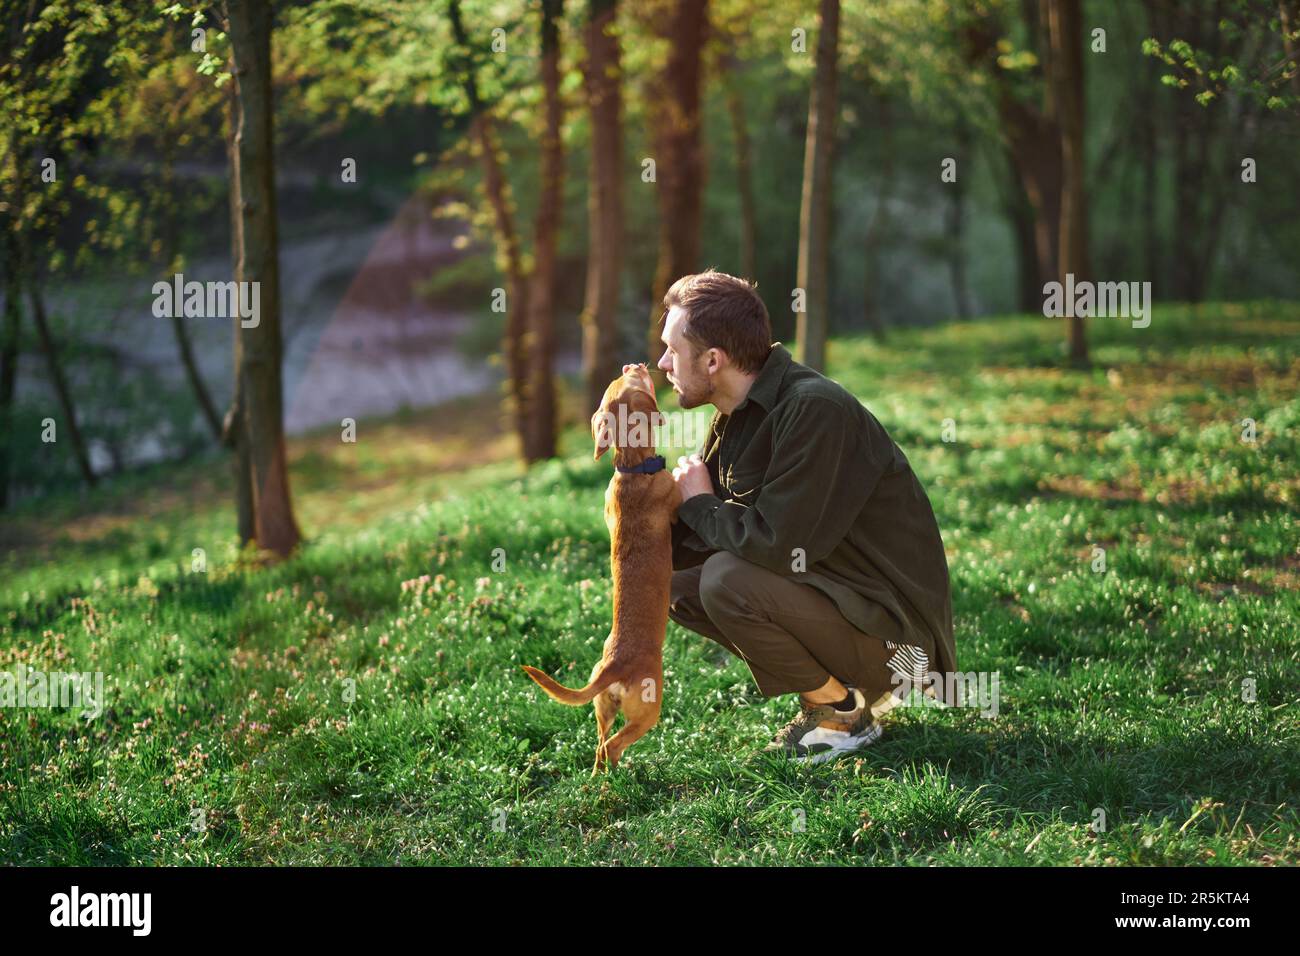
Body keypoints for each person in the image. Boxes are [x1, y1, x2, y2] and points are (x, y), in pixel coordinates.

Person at [650, 268, 957, 764]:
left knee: (725, 580)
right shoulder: (736, 412)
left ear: (712, 360)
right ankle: (836, 695)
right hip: (842, 603)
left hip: (902, 649)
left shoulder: (815, 410)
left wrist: (699, 503)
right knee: (676, 582)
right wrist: (647, 500)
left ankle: (841, 713)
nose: (662, 362)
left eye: (672, 349)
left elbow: (776, 546)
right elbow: (701, 539)